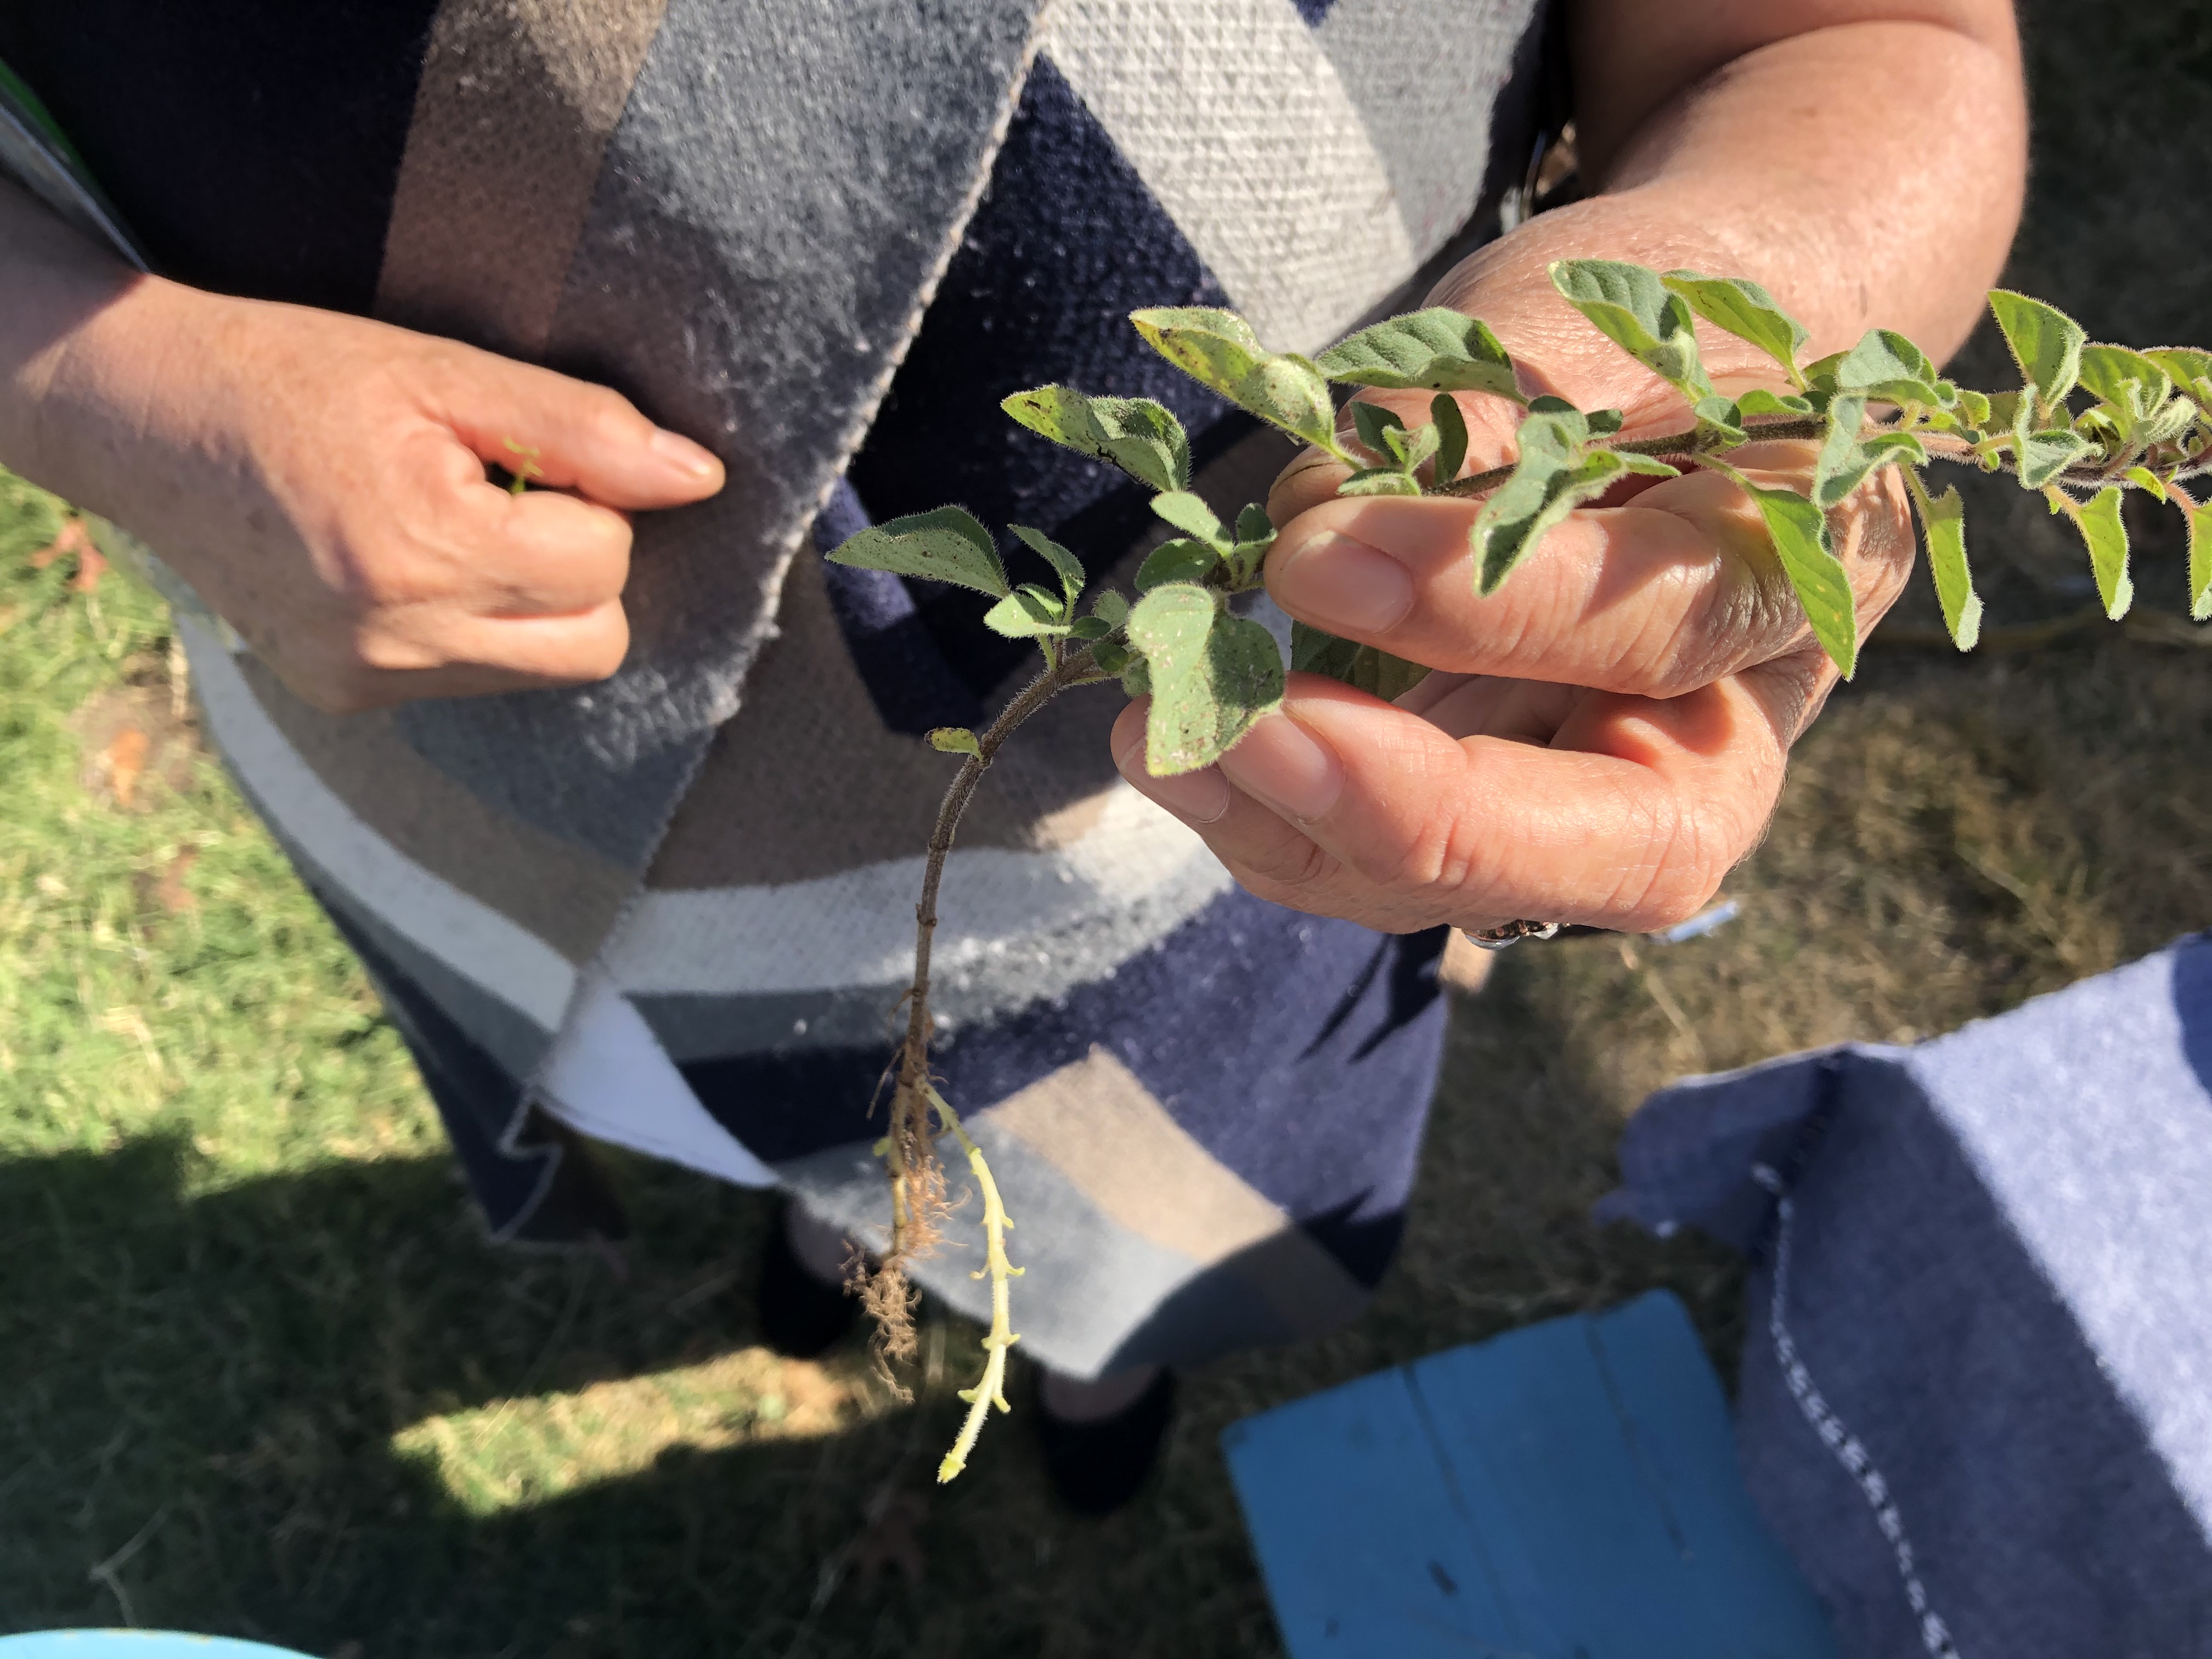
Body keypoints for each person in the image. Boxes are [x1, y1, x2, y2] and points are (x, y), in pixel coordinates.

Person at [0, 0, 2024, 1513]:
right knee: (823, 1140)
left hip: (1208, 861)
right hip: (489, 768)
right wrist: (101, 376)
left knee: (1142, 1206)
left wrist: (1774, 303)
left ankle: (1097, 1366)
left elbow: (1853, 39)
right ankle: (830, 1231)